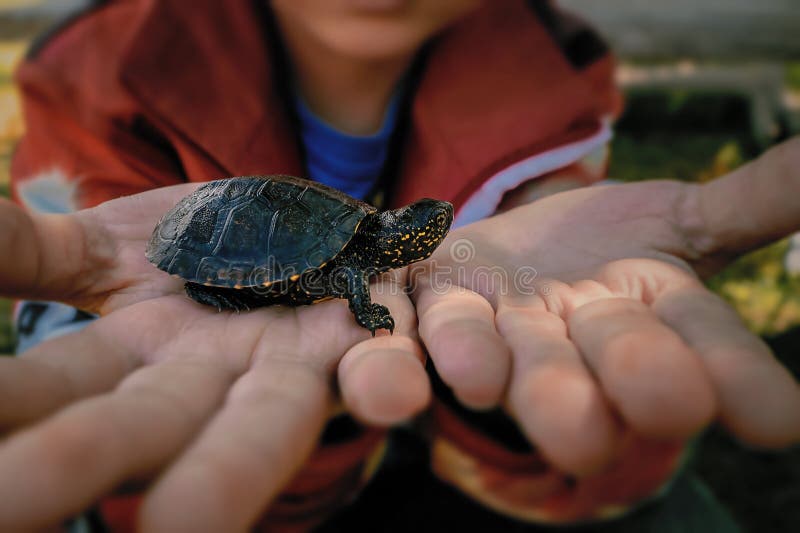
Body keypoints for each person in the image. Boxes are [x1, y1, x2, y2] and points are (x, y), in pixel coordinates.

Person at [5, 0, 799, 529]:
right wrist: (372, 312)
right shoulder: (108, 73)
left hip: (462, 455)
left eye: (427, 228)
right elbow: (351, 277)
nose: (428, 231)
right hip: (272, 487)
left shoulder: (548, 69)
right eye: (423, 228)